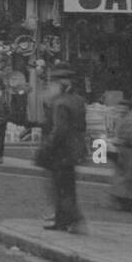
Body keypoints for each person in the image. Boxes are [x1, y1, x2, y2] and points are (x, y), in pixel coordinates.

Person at [38, 64, 87, 233]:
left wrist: (46, 148)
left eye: (54, 82)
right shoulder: (78, 100)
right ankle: (63, 221)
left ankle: (73, 221)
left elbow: (59, 130)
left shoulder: (60, 103)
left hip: (61, 151)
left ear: (61, 84)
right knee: (67, 186)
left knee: (61, 188)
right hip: (74, 150)